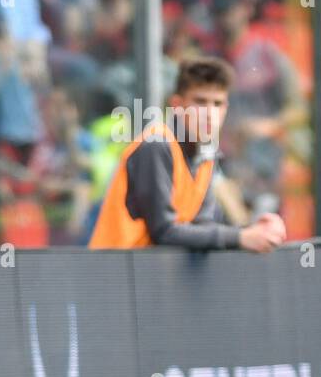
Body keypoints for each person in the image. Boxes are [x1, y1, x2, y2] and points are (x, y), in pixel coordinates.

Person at [88, 56, 284, 250]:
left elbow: (202, 227)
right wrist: (241, 237)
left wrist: (255, 231)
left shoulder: (207, 154)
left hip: (149, 274)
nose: (209, 113)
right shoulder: (157, 145)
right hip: (114, 274)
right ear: (177, 106)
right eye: (200, 102)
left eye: (217, 104)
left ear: (225, 109)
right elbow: (164, 232)